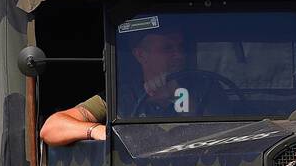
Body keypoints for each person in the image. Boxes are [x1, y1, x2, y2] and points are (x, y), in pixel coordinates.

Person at [39, 24, 227, 146]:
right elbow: (51, 128)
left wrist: (177, 95)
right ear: (140, 55)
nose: (178, 55)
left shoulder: (208, 89)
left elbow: (224, 135)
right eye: (167, 48)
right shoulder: (121, 97)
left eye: (181, 48)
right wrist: (97, 130)